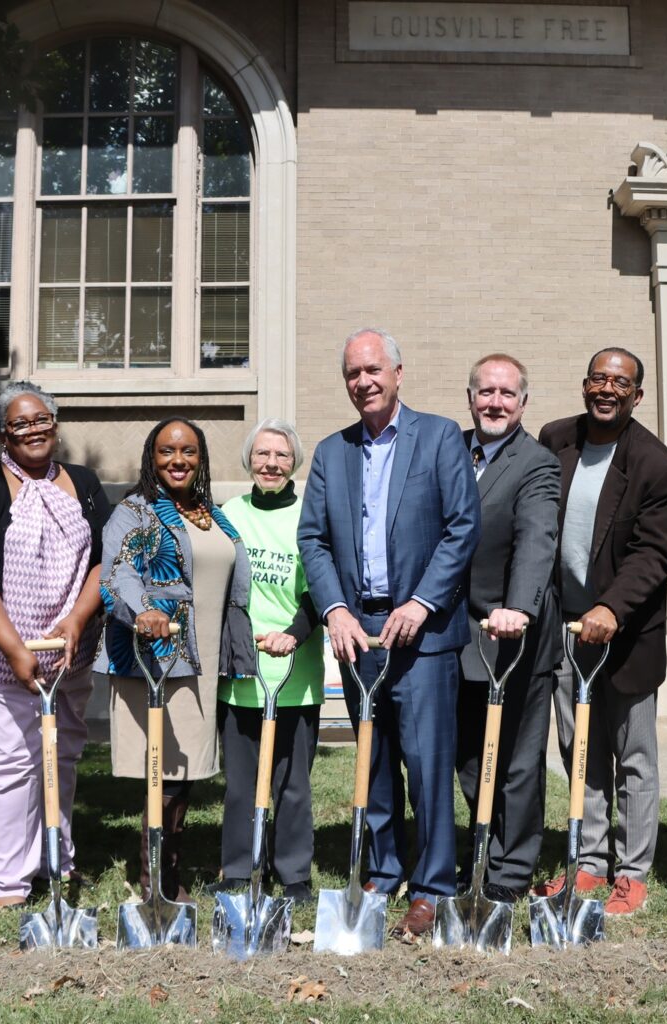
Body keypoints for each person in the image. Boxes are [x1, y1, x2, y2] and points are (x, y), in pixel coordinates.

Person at [298, 327, 480, 939]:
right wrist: (335, 610)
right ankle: (383, 868)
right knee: (373, 763)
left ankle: (432, 886)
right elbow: (313, 540)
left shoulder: (440, 436)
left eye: (373, 370)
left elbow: (461, 527)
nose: (363, 382)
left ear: (399, 373)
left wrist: (424, 602)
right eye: (352, 373)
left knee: (428, 765)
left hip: (423, 633)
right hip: (359, 632)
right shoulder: (331, 451)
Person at [0, 381, 111, 911]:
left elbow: (104, 561)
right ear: (2, 434)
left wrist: (77, 619)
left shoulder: (83, 483)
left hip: (68, 652)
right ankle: (11, 884)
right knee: (11, 766)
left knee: (60, 756)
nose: (34, 429)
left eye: (42, 419)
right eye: (21, 423)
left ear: (55, 425)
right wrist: (16, 649)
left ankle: (55, 860)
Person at [536, 347, 667, 916]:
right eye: (598, 378)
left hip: (624, 633)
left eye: (619, 383)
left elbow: (652, 552)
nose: (607, 389)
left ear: (637, 395)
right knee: (578, 750)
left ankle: (634, 870)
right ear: (583, 385)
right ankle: (589, 863)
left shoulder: (656, 465)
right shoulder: (556, 439)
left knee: (635, 756)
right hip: (562, 627)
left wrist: (611, 609)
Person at [104, 417, 256, 903]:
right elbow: (117, 571)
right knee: (162, 769)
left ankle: (168, 864)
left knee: (184, 770)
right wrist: (141, 610)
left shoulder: (211, 512)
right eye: (167, 451)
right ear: (152, 456)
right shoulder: (136, 512)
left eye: (188, 451)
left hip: (207, 654)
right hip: (160, 652)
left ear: (201, 458)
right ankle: (157, 877)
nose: (178, 460)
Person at [454, 354, 561, 903]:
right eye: (485, 392)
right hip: (455, 634)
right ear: (469, 396)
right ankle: (481, 851)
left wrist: (518, 607)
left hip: (511, 636)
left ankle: (512, 872)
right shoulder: (452, 451)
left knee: (517, 761)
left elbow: (537, 538)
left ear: (523, 402)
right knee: (470, 757)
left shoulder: (536, 463)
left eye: (506, 394)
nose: (495, 402)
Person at [215, 419, 323, 902]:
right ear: (249, 460)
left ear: (294, 462)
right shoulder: (228, 514)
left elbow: (321, 590)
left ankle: (293, 873)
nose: (271, 464)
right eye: (262, 455)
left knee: (293, 782)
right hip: (241, 670)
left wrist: (292, 636)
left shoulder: (309, 516)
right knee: (241, 782)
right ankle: (239, 868)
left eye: (281, 455)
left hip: (294, 672)